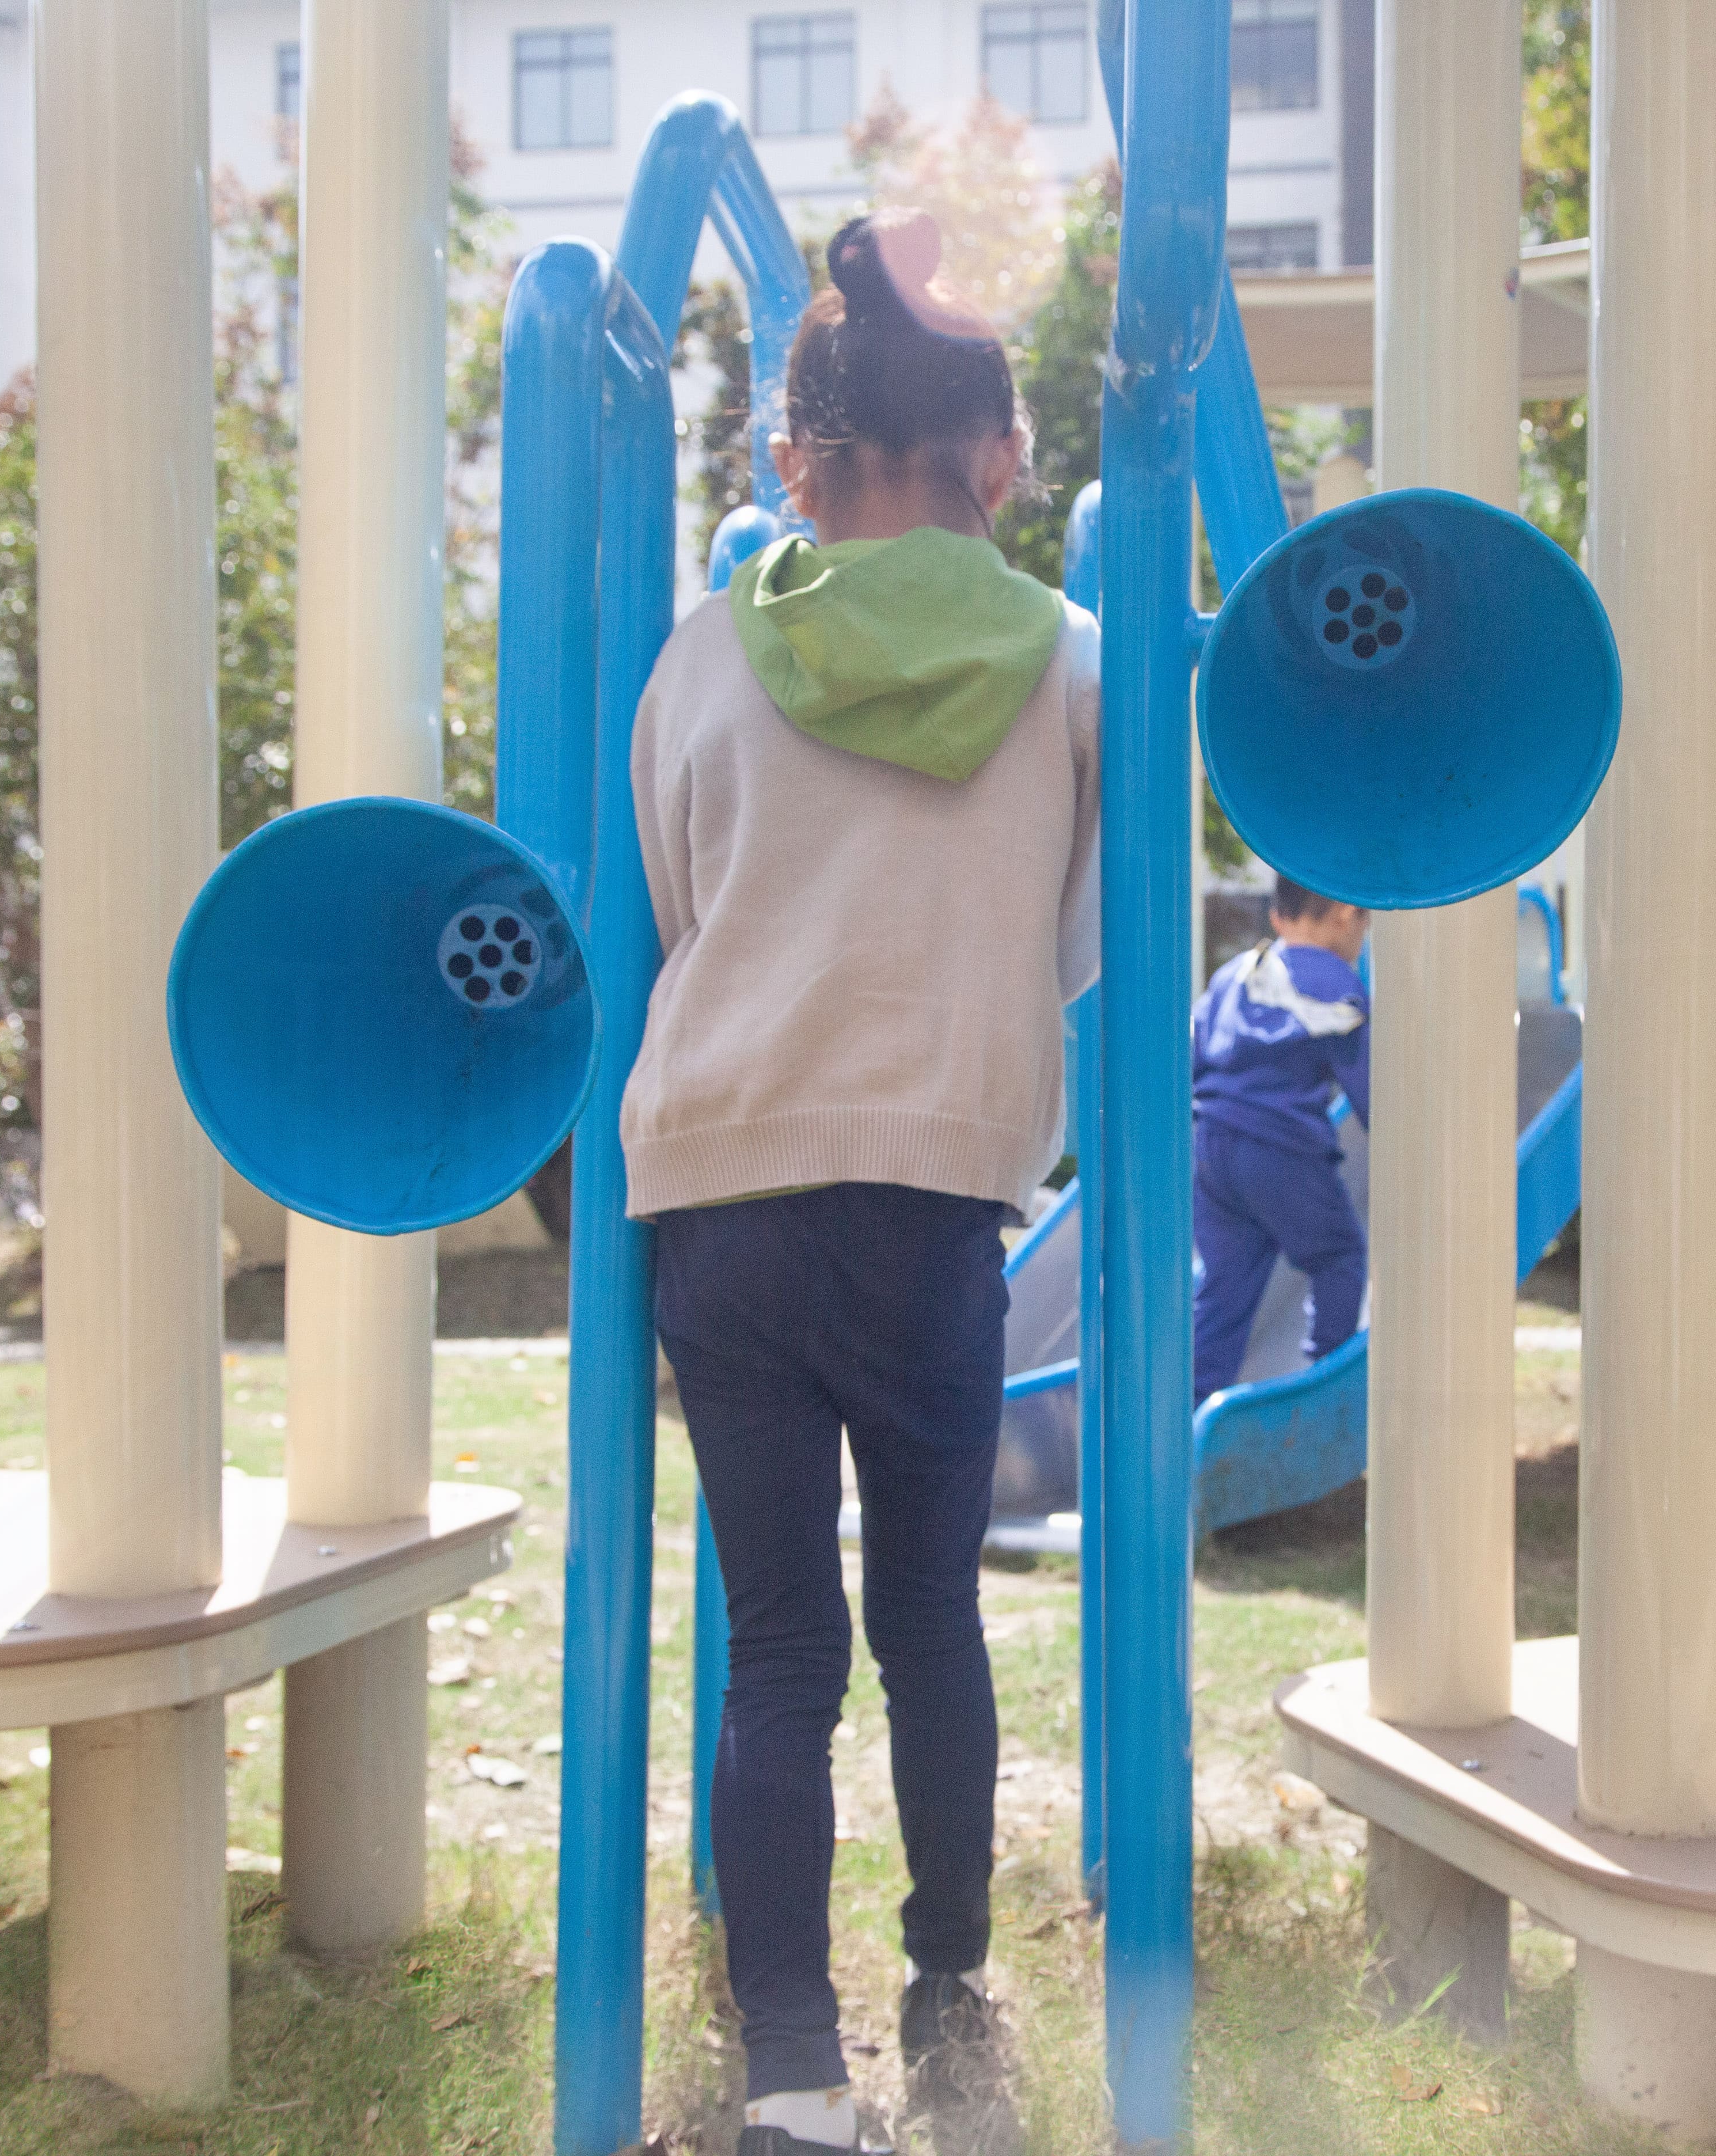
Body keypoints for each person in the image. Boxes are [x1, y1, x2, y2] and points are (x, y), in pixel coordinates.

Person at [622, 207, 1097, 2156]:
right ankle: (948, 1992)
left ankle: (795, 2078)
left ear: (792, 461)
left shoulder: (695, 662)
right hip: (929, 1200)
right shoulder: (1075, 662)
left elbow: (674, 910)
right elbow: (1077, 942)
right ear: (999, 459)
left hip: (723, 1199)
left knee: (773, 1642)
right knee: (925, 1622)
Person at [1190, 876, 1373, 1402]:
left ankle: (1195, 1410)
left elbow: (1194, 1055)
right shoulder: (1336, 982)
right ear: (1344, 912)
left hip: (1212, 1148)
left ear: (1277, 917)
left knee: (1225, 1283)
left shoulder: (1233, 975)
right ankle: (1323, 1382)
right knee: (1338, 1256)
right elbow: (1367, 1092)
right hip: (1280, 1150)